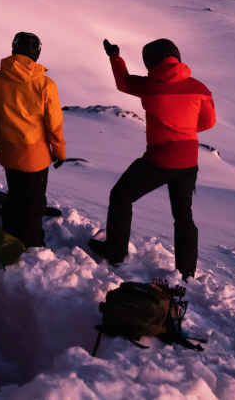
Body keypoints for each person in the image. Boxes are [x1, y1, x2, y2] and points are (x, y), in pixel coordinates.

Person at [87, 38, 216, 280]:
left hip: (160, 159)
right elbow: (209, 122)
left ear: (151, 61)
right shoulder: (200, 88)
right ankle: (186, 271)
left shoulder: (150, 87)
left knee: (121, 195)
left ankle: (115, 251)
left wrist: (115, 57)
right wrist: (184, 128)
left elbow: (123, 82)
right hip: (189, 161)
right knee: (183, 215)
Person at [0, 32, 66, 248]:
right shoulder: (45, 84)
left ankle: (9, 237)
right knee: (33, 202)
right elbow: (54, 124)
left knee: (14, 196)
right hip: (36, 156)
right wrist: (59, 150)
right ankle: (30, 247)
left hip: (10, 151)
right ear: (37, 52)